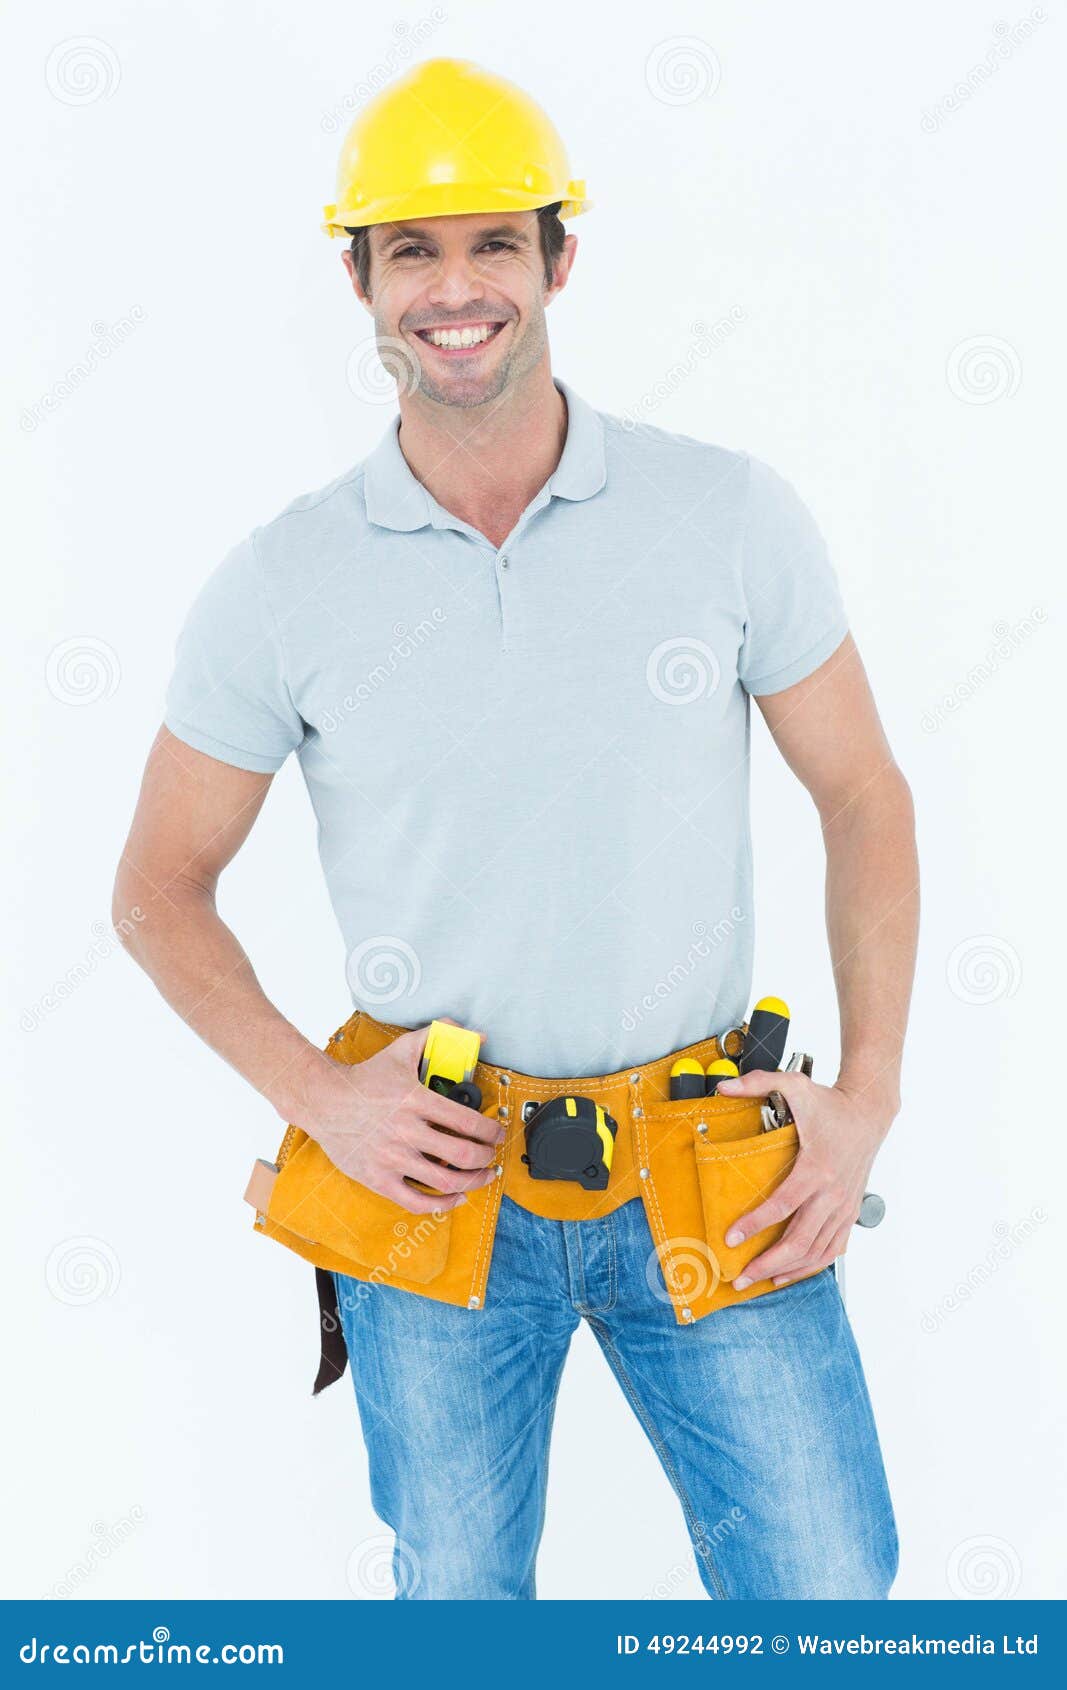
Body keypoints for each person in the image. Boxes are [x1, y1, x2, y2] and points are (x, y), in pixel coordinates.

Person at [113, 58, 917, 1600]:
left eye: (495, 242)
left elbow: (866, 793)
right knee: (461, 1614)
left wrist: (868, 1095)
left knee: (825, 1592)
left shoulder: (725, 515)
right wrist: (318, 1095)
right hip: (438, 1175)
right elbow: (157, 885)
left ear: (560, 259)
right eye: (412, 250)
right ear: (358, 280)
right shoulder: (284, 582)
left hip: (707, 1154)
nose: (455, 288)